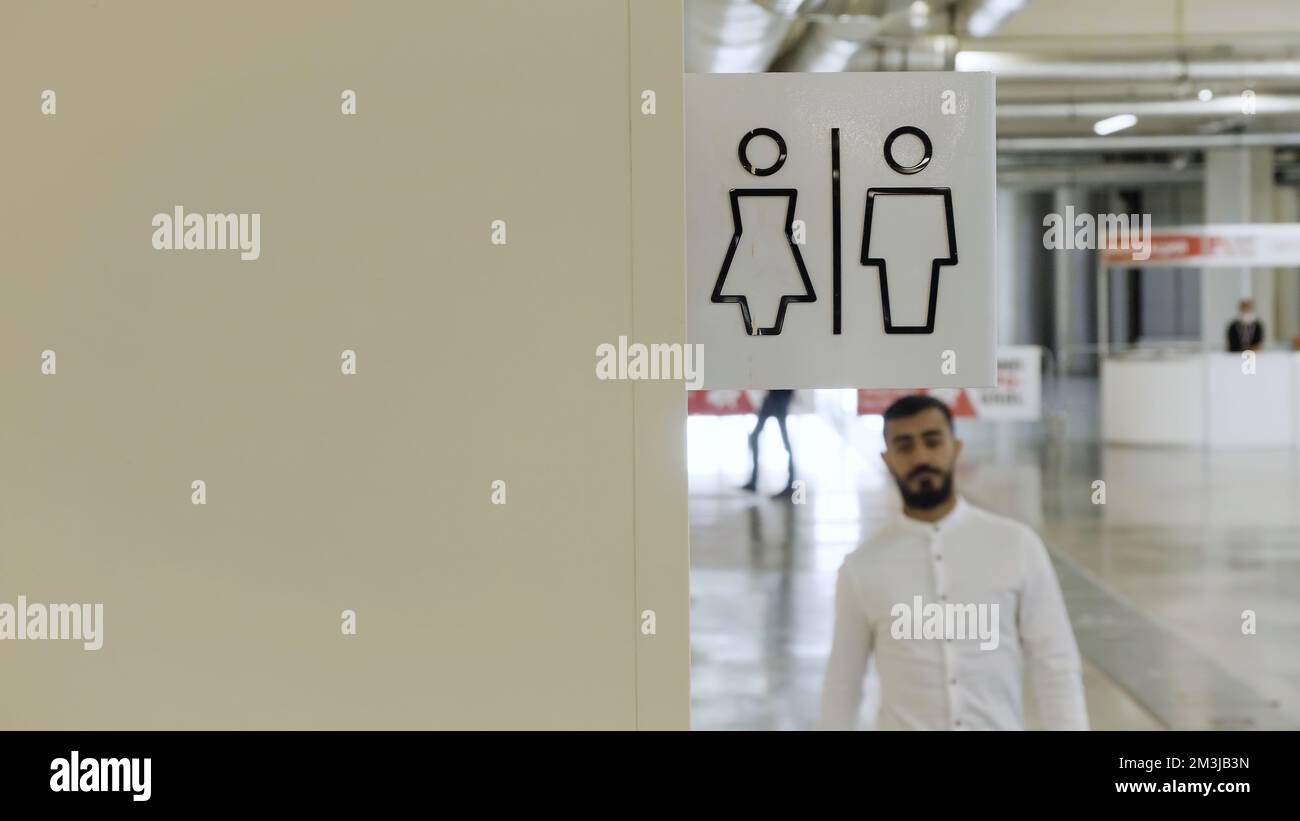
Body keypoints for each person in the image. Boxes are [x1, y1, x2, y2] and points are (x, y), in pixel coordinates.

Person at [818, 394, 1088, 730]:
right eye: (904, 445)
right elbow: (843, 682)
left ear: (955, 447)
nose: (920, 456)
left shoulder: (1015, 546)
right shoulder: (862, 568)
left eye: (932, 441)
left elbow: (1055, 664)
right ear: (887, 459)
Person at [740, 389, 796, 498]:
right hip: (775, 396)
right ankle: (753, 481)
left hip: (779, 397)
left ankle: (790, 485)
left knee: (785, 442)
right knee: (755, 436)